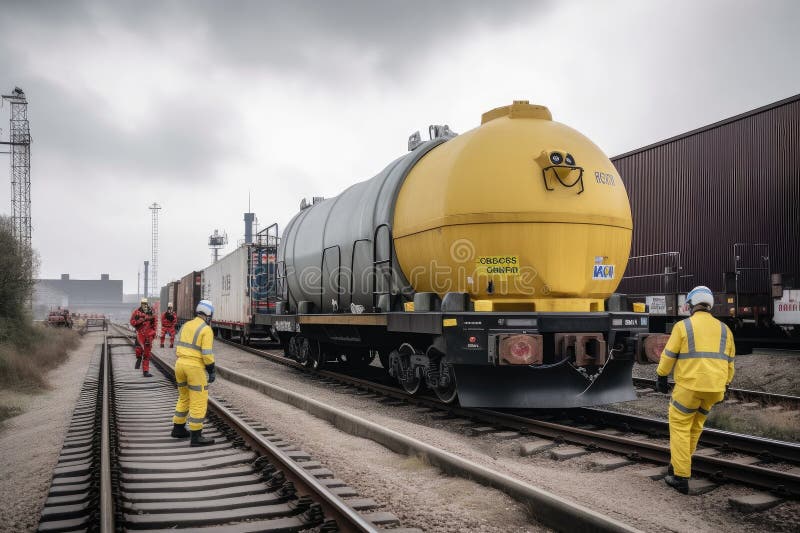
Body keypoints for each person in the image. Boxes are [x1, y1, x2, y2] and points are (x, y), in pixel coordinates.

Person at [656, 285, 735, 494]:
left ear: (692, 304)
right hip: (715, 390)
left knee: (680, 427)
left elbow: (669, 354)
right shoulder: (725, 329)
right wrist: (725, 384)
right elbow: (730, 363)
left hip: (690, 387)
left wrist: (661, 375)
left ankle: (680, 477)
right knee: (694, 427)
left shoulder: (684, 326)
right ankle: (678, 464)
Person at [171, 300, 217, 446]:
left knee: (184, 397)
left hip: (180, 364)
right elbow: (207, 354)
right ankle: (196, 436)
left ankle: (178, 428)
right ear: (208, 314)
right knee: (198, 399)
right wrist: (211, 369)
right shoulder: (206, 329)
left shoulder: (186, 325)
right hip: (194, 367)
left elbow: (178, 343)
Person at [129, 298, 155, 377]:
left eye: (145, 303)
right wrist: (140, 321)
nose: (144, 305)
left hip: (148, 336)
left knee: (147, 354)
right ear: (141, 303)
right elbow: (132, 322)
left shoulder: (151, 313)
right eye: (143, 303)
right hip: (139, 335)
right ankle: (139, 358)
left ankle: (145, 371)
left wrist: (152, 334)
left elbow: (155, 325)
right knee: (138, 350)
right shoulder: (136, 312)